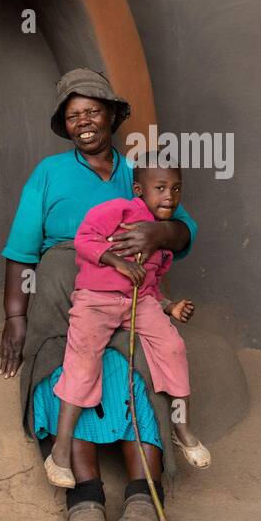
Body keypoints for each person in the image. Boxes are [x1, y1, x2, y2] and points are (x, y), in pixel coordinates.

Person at [0, 69, 198, 521]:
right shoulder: (48, 174)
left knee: (137, 367)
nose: (84, 122)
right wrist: (14, 317)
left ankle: (144, 497)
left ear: (112, 115)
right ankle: (84, 497)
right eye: (73, 116)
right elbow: (21, 249)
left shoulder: (140, 174)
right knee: (60, 363)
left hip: (130, 289)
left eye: (92, 111)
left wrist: (157, 232)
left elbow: (185, 231)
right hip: (60, 286)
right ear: (65, 126)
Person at [43, 159, 210, 489]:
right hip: (96, 299)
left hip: (140, 303)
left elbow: (152, 285)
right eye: (160, 188)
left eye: (176, 189)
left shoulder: (164, 238)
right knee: (83, 364)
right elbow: (84, 239)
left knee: (173, 347)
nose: (169, 197)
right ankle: (60, 452)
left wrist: (168, 307)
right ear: (139, 190)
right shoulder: (117, 210)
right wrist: (117, 261)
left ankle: (182, 429)